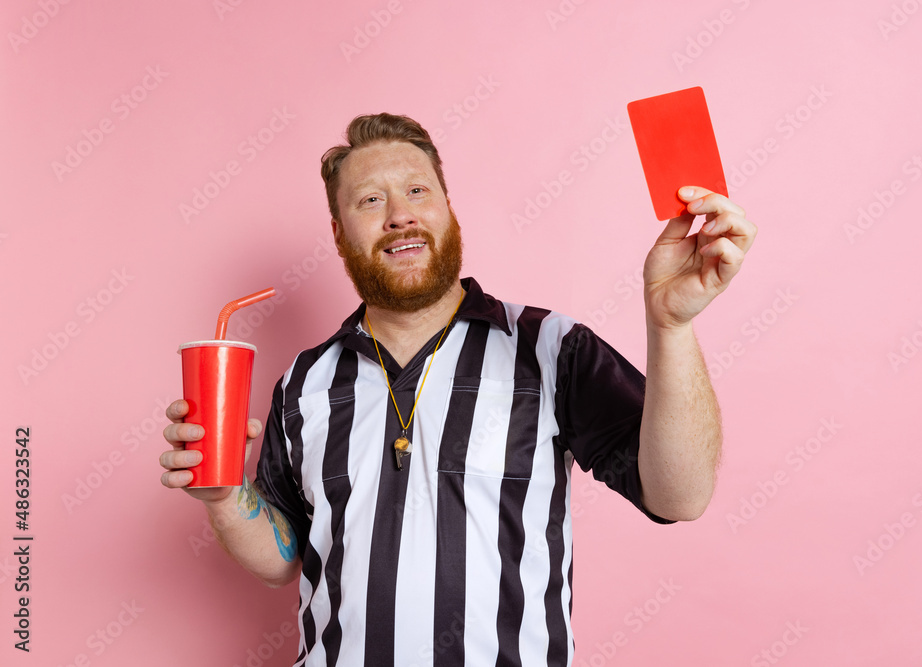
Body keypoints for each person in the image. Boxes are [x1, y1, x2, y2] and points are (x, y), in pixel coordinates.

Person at [159, 112, 756, 666]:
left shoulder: (550, 347)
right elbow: (284, 558)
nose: (399, 214)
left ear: (448, 208)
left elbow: (680, 496)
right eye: (371, 200)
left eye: (418, 190)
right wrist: (225, 497)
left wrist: (672, 325)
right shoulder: (306, 381)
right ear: (340, 235)